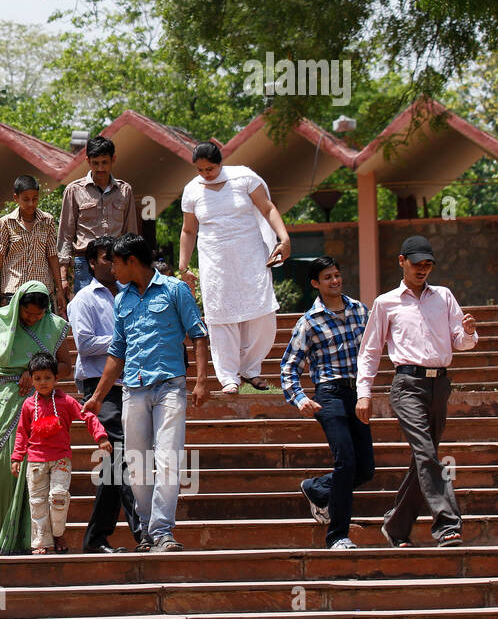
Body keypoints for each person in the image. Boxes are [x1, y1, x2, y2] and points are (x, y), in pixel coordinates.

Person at [83, 233, 210, 552]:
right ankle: (150, 531)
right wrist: (98, 396)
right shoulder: (122, 299)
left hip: (170, 386)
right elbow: (117, 352)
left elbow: (198, 334)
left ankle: (163, 530)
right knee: (137, 461)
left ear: (132, 261)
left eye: (115, 263)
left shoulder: (175, 289)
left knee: (168, 458)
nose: (112, 270)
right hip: (133, 389)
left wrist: (202, 380)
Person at [358, 236, 477, 548]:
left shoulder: (444, 296)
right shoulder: (386, 303)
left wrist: (467, 331)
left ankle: (396, 526)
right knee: (426, 454)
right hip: (407, 386)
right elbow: (370, 351)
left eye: (428, 264)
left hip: (439, 386)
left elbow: (460, 342)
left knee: (423, 460)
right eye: (416, 263)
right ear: (402, 262)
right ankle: (448, 525)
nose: (422, 269)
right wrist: (363, 391)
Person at [0, 280, 73, 555]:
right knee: (3, 469)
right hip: (3, 403)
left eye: (38, 315)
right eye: (27, 314)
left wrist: (35, 374)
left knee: (39, 472)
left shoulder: (54, 327)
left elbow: (65, 366)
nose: (32, 320)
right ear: (17, 304)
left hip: (40, 406)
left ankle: (41, 536)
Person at [178, 141, 290, 394]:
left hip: (250, 256)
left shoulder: (244, 178)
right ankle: (228, 376)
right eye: (200, 170)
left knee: (262, 313)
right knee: (221, 317)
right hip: (215, 262)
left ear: (221, 162)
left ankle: (251, 370)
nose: (206, 174)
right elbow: (188, 230)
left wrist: (284, 238)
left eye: (211, 168)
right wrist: (183, 265)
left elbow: (268, 208)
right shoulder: (191, 190)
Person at [281, 256, 372, 550]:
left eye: (337, 274)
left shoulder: (360, 310)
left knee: (365, 469)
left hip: (357, 394)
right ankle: (338, 536)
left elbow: (376, 345)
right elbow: (289, 367)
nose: (335, 281)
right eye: (328, 277)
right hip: (329, 394)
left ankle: (317, 488)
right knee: (345, 461)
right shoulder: (308, 322)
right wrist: (300, 398)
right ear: (315, 284)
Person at [68, 235, 142, 553]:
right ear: (91, 262)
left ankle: (96, 538)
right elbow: (84, 344)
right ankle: (145, 531)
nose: (110, 263)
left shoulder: (132, 295)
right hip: (98, 386)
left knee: (115, 462)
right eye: (104, 258)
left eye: (114, 258)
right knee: (123, 453)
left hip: (131, 383)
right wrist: (122, 339)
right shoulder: (83, 300)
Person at [12, 351, 111, 554]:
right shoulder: (28, 405)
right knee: (37, 502)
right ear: (31, 380)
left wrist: (101, 437)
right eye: (38, 378)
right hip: (35, 462)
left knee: (58, 497)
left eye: (48, 377)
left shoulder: (66, 401)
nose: (43, 382)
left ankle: (58, 533)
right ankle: (42, 543)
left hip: (60, 460)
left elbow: (87, 417)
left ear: (57, 378)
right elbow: (22, 432)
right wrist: (17, 457)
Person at [56, 136, 138, 299]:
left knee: (120, 312)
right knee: (86, 311)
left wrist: (133, 268)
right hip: (85, 263)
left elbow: (131, 234)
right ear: (88, 161)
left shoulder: (125, 191)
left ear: (113, 160)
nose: (100, 168)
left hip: (117, 262)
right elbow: (65, 234)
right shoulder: (74, 190)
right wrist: (63, 276)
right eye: (95, 163)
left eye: (104, 162)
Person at [0, 175, 65, 315]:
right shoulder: (6, 222)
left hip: (42, 290)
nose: (31, 203)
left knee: (42, 335)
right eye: (26, 199)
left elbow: (52, 256)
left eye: (34, 198)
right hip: (14, 290)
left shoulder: (47, 221)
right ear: (16, 198)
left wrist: (59, 290)